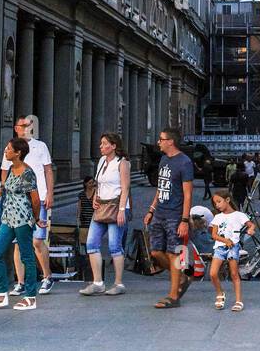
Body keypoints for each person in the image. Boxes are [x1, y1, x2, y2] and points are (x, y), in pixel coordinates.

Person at [0, 137, 41, 311]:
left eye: (8, 149)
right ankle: (1, 294)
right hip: (8, 219)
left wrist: (35, 219)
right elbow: (6, 190)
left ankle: (30, 296)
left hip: (23, 219)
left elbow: (35, 200)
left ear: (18, 153)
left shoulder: (27, 172)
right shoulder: (9, 169)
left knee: (27, 256)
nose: (5, 151)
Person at [0, 116, 54, 297]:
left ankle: (47, 276)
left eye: (29, 125)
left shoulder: (40, 146)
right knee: (17, 243)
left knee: (37, 240)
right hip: (16, 202)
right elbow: (4, 172)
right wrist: (5, 190)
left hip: (39, 196)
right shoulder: (11, 148)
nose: (27, 128)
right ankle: (20, 282)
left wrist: (50, 193)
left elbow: (47, 170)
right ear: (16, 128)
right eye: (23, 125)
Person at [143, 128, 194, 309]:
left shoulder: (185, 163)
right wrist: (151, 209)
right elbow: (160, 188)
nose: (158, 142)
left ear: (170, 142)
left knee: (174, 254)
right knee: (156, 252)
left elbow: (188, 195)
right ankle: (181, 277)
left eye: (161, 139)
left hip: (174, 215)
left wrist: (185, 220)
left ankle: (173, 296)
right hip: (159, 213)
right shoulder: (164, 160)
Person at [80, 133, 132, 297]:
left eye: (104, 144)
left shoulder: (122, 163)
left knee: (114, 245)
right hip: (102, 207)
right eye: (101, 143)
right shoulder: (102, 162)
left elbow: (125, 187)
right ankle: (98, 282)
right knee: (91, 243)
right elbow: (98, 183)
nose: (101, 146)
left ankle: (118, 283)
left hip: (117, 206)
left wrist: (122, 210)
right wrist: (95, 197)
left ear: (114, 146)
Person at [209, 190, 254, 313]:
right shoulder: (217, 217)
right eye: (215, 203)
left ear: (227, 200)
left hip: (233, 246)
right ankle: (220, 292)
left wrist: (251, 229)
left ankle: (238, 300)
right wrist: (225, 240)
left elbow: (251, 225)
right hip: (219, 247)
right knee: (213, 273)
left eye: (219, 202)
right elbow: (214, 235)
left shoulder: (239, 215)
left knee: (234, 273)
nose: (217, 205)